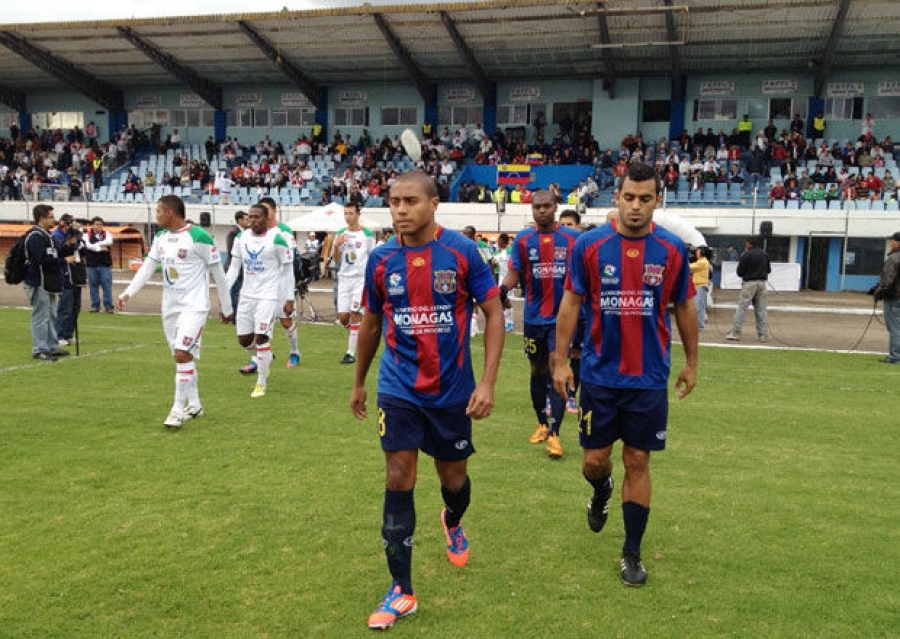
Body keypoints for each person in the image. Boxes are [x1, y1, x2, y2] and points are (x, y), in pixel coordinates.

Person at [350, 172, 503, 630]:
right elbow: (372, 323)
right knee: (398, 475)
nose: (400, 209)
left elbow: (493, 312)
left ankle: (452, 520)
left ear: (434, 204)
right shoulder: (379, 259)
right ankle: (402, 590)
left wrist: (489, 382)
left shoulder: (461, 250)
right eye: (394, 201)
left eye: (410, 201)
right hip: (397, 388)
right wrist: (359, 381)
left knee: (454, 481)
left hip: (452, 390)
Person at [551, 161, 698, 587]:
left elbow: (684, 307)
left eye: (645, 199)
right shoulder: (589, 246)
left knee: (638, 459)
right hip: (598, 377)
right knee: (595, 462)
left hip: (648, 380)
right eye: (629, 197)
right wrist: (561, 361)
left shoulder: (671, 251)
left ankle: (632, 551)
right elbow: (571, 304)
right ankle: (601, 489)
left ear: (657, 200)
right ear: (615, 198)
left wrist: (691, 361)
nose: (636, 206)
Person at [116, 195, 233, 429]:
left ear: (170, 213)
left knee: (181, 353)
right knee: (183, 356)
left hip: (194, 306)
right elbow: (148, 268)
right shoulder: (160, 238)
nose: (156, 215)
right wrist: (127, 293)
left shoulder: (198, 236)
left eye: (158, 211)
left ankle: (177, 410)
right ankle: (195, 404)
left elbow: (218, 274)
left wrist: (227, 306)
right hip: (170, 308)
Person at [501, 189, 580, 458]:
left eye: (547, 206)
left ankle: (555, 434)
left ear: (556, 206)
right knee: (536, 371)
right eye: (537, 207)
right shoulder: (523, 239)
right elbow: (515, 272)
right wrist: (502, 290)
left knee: (558, 367)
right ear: (532, 208)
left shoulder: (572, 239)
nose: (542, 210)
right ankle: (541, 423)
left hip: (562, 320)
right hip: (534, 318)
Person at [225, 204, 294, 397]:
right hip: (247, 295)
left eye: (256, 217)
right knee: (244, 340)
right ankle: (266, 356)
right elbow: (233, 268)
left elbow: (288, 270)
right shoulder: (241, 238)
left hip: (268, 295)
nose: (252, 221)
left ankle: (261, 382)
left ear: (266, 219)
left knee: (262, 336)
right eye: (250, 217)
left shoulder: (277, 239)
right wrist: (224, 293)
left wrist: (289, 298)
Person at [240, 197, 301, 373]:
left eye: (265, 211)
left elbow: (290, 261)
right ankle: (259, 357)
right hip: (260, 287)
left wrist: (290, 292)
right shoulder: (250, 234)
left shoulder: (284, 232)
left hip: (280, 284)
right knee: (257, 327)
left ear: (272, 212)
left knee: (285, 320)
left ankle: (295, 352)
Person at [23, 204, 69, 361]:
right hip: (38, 281)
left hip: (48, 281)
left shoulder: (47, 235)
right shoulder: (35, 236)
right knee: (40, 316)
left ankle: (51, 346)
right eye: (50, 217)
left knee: (51, 314)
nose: (53, 220)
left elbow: (56, 253)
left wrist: (70, 243)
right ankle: (39, 349)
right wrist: (62, 260)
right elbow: (41, 260)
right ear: (42, 218)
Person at [332, 202, 376, 364]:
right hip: (344, 279)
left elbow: (373, 258)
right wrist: (336, 246)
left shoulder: (367, 235)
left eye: (351, 213)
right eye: (346, 213)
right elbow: (336, 260)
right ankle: (359, 334)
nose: (348, 217)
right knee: (343, 318)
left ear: (358, 214)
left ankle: (350, 352)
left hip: (360, 280)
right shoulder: (340, 234)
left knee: (354, 314)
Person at [726, 236, 771, 342]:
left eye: (747, 243)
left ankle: (735, 333)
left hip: (749, 283)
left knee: (742, 308)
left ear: (750, 244)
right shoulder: (764, 254)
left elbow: (739, 272)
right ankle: (763, 335)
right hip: (762, 283)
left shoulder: (746, 255)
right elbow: (768, 270)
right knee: (761, 310)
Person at [52, 214, 86, 347]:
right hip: (64, 276)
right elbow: (61, 253)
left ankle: (68, 334)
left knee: (75, 307)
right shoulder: (56, 236)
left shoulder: (75, 237)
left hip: (76, 274)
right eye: (70, 224)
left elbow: (81, 251)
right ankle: (59, 335)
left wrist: (77, 239)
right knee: (65, 306)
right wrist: (69, 241)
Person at [873, 232, 900, 364]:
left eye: (892, 240)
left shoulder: (894, 258)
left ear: (897, 243)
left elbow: (888, 280)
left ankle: (895, 357)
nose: (890, 243)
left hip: (894, 298)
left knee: (894, 328)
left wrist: (878, 293)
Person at [83, 216, 114, 313]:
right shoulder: (86, 235)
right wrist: (100, 248)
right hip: (91, 265)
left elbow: (109, 242)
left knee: (106, 286)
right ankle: (95, 306)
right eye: (97, 224)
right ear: (92, 225)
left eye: (101, 224)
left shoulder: (107, 234)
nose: (99, 226)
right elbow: (87, 245)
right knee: (93, 286)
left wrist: (95, 245)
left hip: (105, 265)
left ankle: (108, 306)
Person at [225, 210, 249, 323]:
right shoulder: (233, 233)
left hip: (242, 269)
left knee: (240, 293)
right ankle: (234, 317)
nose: (248, 221)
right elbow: (231, 251)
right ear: (239, 220)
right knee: (235, 293)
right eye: (246, 219)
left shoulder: (245, 233)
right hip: (235, 268)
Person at [690, 246, 712, 331]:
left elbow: (690, 267)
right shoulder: (701, 261)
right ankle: (700, 326)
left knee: (697, 307)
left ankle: (698, 326)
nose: (696, 252)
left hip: (700, 286)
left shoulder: (702, 261)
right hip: (700, 286)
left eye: (698, 251)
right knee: (701, 307)